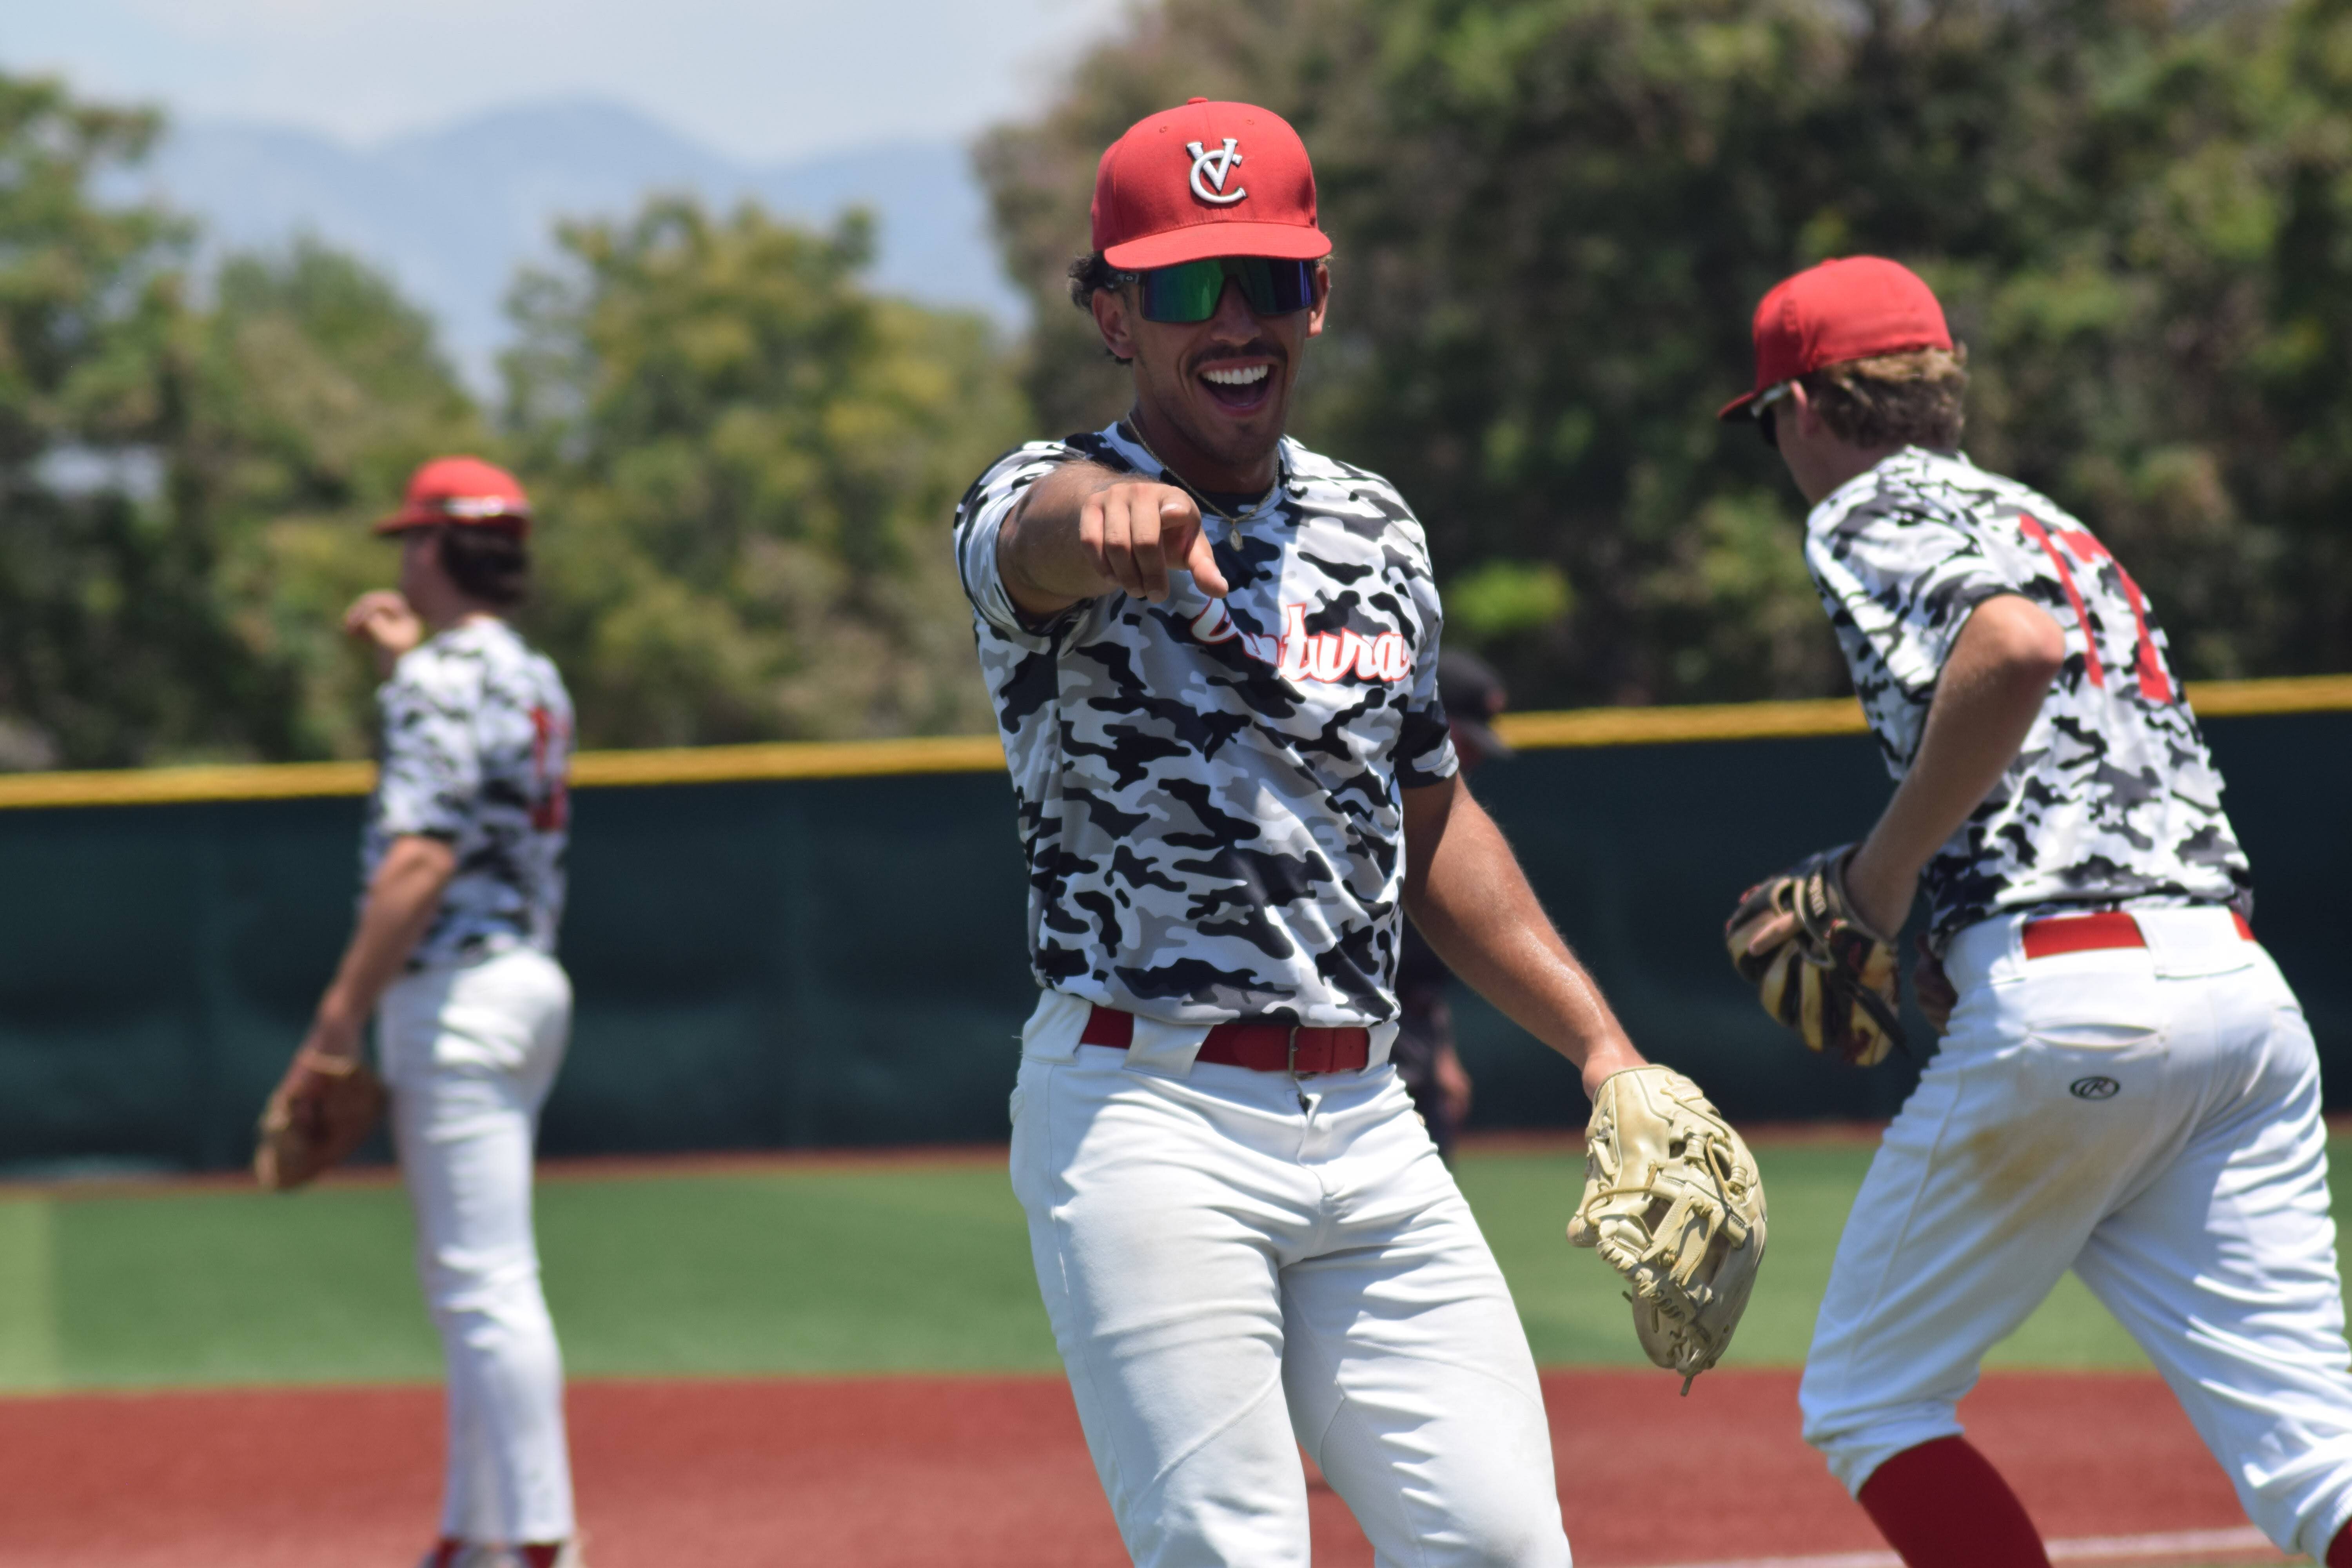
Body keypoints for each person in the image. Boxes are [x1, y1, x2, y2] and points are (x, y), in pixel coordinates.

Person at [953, 97, 1711, 1566]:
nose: (1234, 321)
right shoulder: (1038, 491)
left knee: (1505, 1548)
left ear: (1323, 295)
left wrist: (1605, 1047)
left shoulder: (1376, 528)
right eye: (1182, 288)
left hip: (1369, 1125)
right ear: (1113, 315)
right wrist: (1097, 520)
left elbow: (1430, 815)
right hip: (1145, 1115)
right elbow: (1029, 540)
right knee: (1234, 1551)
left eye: (1272, 281)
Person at [1720, 256, 2352, 1566]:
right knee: (2320, 1460)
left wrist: (1880, 884)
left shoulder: (1865, 509)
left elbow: (2012, 650)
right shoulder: (2047, 517)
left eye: (1773, 415)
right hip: (2237, 995)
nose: (1781, 443)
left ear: (1815, 407)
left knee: (1870, 1398)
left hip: (2075, 997)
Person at [265, 456, 581, 1568]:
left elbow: (420, 859)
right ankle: (479, 1538)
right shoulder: (532, 676)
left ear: (439, 550)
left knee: (484, 1281)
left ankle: (541, 1543)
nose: (404, 556)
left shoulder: (435, 684)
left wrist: (335, 1023)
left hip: (453, 995)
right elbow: (469, 734)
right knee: (472, 1280)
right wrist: (410, 661)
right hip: (527, 988)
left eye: (413, 539)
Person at [1392, 650, 1515, 1161]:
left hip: (1415, 1034)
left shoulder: (1440, 821)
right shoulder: (1369, 806)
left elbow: (1419, 964)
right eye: (1468, 738)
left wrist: (1441, 1053)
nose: (1478, 756)